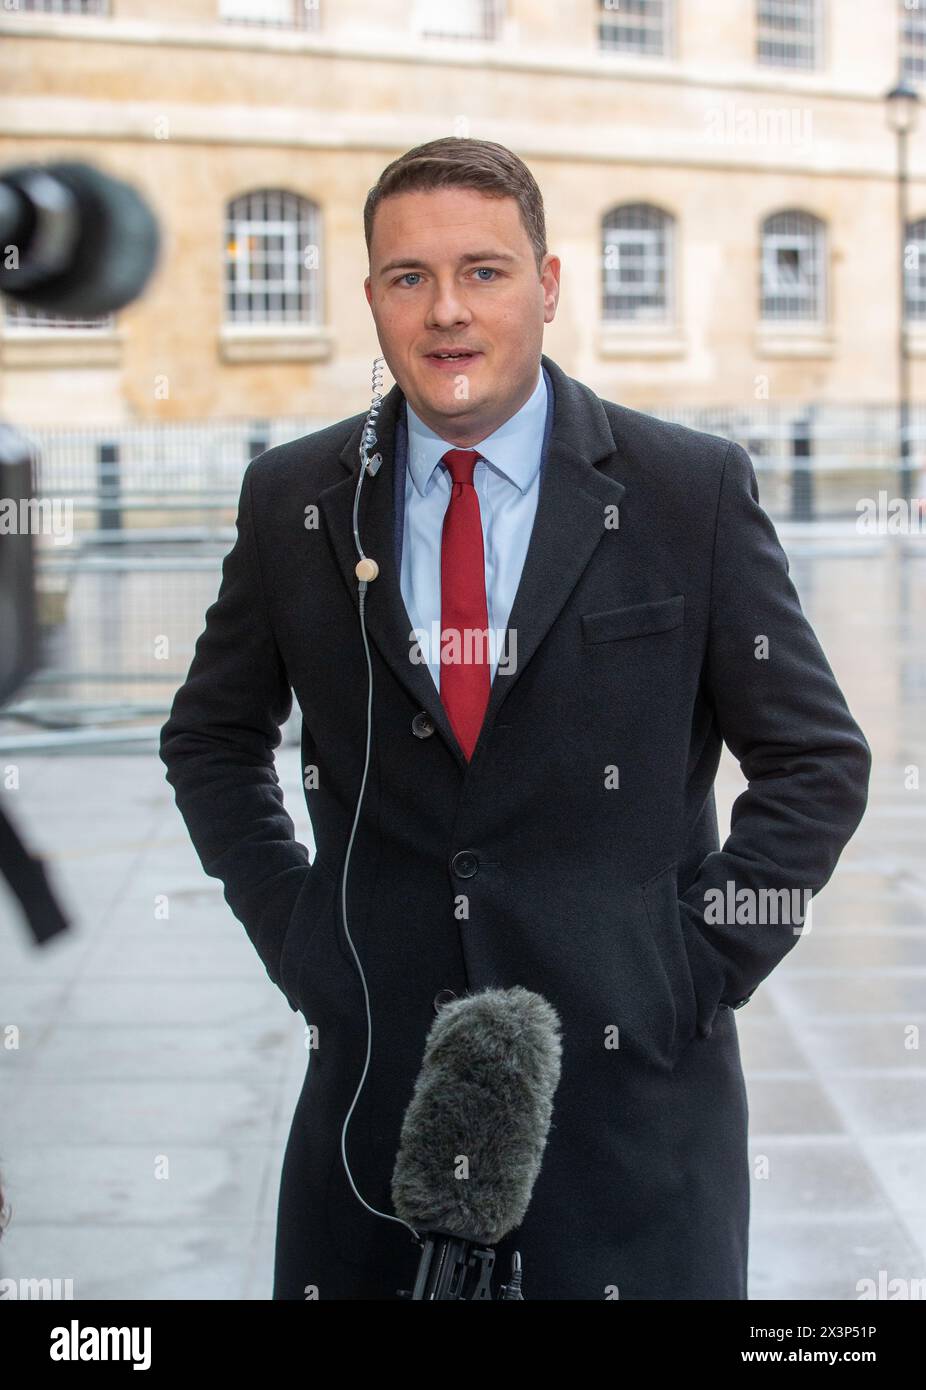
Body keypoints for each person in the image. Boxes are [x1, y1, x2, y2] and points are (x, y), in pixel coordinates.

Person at [159, 137, 872, 1300]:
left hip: (629, 1109)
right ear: (372, 297)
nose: (446, 310)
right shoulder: (295, 496)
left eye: (483, 271)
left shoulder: (685, 488)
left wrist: (696, 967)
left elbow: (816, 762)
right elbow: (210, 735)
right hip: (376, 1103)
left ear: (546, 286)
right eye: (407, 277)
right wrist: (299, 935)